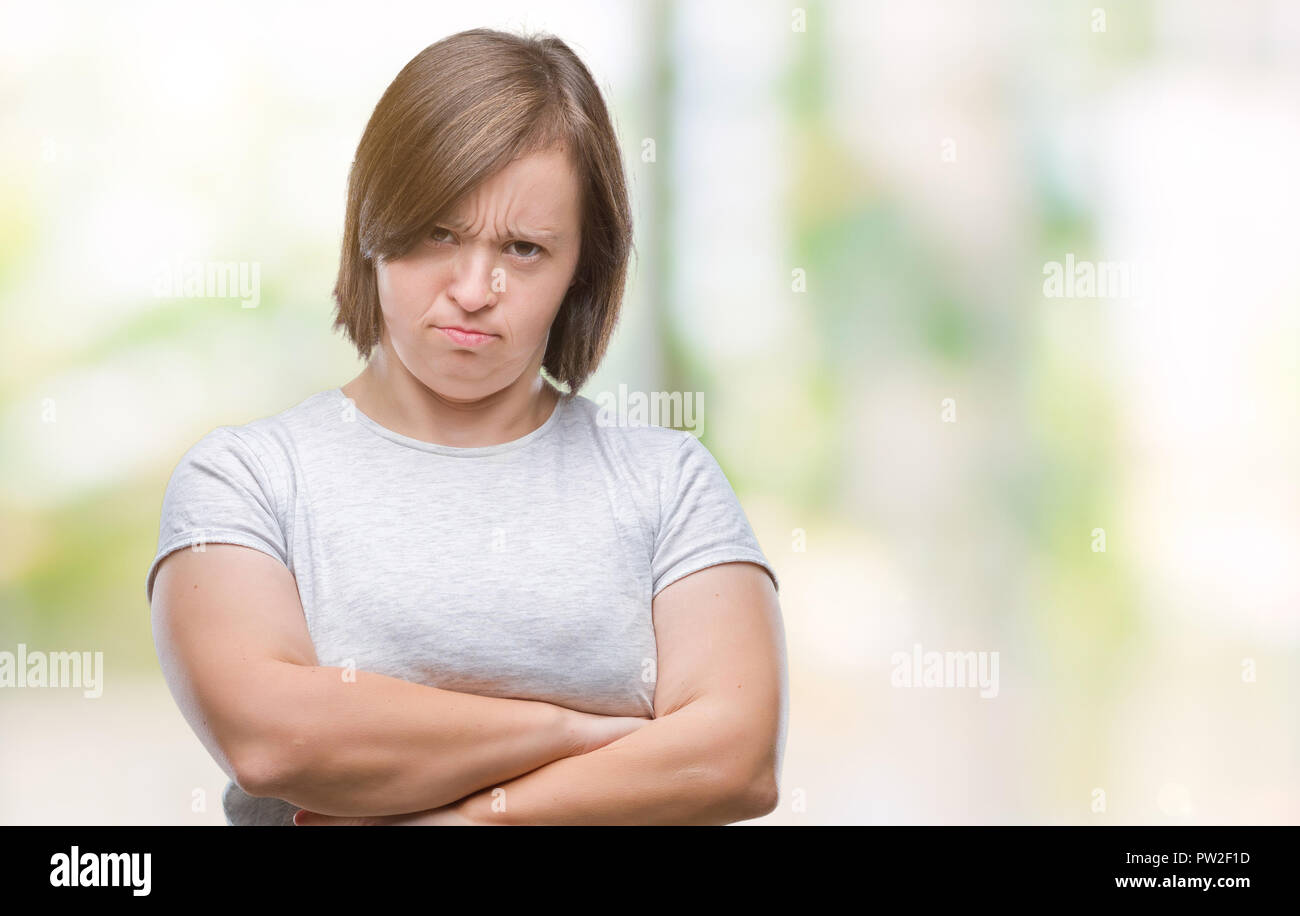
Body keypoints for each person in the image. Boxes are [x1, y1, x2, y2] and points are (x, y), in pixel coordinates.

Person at [147, 27, 787, 826]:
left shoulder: (670, 482)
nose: (475, 288)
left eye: (524, 249)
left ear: (581, 270)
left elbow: (736, 760)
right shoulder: (246, 479)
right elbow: (278, 743)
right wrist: (582, 734)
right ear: (373, 227)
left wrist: (468, 820)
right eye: (439, 233)